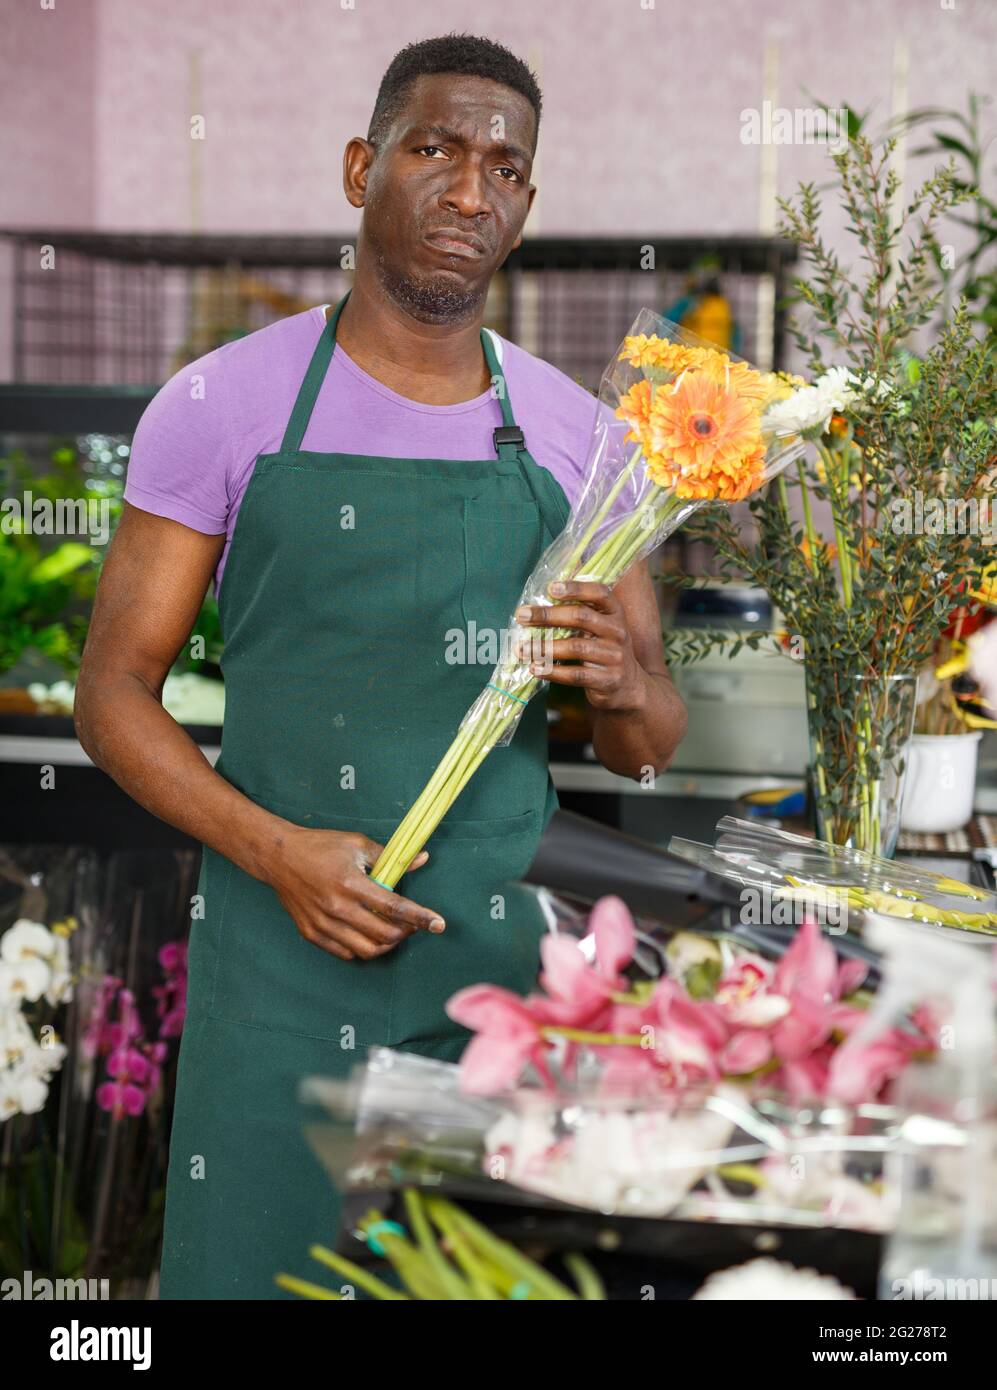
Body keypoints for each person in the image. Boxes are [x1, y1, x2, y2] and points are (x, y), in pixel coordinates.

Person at [74, 33, 688, 1300]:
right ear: (361, 168)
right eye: (436, 149)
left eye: (506, 169)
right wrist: (276, 852)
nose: (472, 192)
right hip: (277, 963)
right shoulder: (219, 407)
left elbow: (650, 740)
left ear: (527, 203)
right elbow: (110, 693)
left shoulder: (587, 436)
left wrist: (623, 686)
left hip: (501, 982)